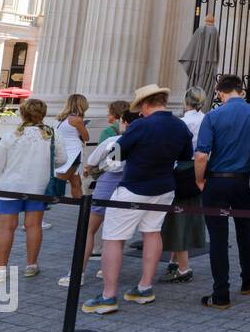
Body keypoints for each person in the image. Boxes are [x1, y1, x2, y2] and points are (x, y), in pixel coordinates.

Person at [83, 85, 193, 314]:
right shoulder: (179, 125)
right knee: (152, 232)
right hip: (165, 187)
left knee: (113, 238)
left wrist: (110, 164)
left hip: (134, 187)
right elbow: (184, 157)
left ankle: (109, 295)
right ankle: (144, 286)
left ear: (145, 104)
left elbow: (115, 157)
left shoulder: (141, 125)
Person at [194, 75, 250, 310]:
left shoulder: (213, 116)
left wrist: (199, 180)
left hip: (216, 180)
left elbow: (202, 154)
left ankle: (221, 293)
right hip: (244, 181)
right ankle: (248, 279)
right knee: (245, 230)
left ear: (220, 93)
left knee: (218, 238)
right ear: (241, 90)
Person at [0, 98, 65, 283]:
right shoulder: (52, 134)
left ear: (22, 113)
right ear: (43, 114)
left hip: (8, 187)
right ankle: (31, 265)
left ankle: (1, 270)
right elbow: (62, 159)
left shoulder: (12, 135)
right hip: (38, 186)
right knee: (33, 226)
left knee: (6, 229)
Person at [60, 101, 131, 288]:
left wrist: (89, 170)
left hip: (108, 183)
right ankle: (106, 269)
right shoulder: (143, 140)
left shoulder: (111, 139)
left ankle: (77, 273)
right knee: (115, 233)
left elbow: (100, 163)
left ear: (123, 121)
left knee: (88, 229)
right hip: (129, 185)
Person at [160, 86, 209, 284]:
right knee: (189, 216)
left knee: (177, 218)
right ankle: (174, 261)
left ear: (185, 101)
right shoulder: (207, 119)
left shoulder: (181, 123)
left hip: (181, 170)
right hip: (201, 170)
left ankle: (183, 267)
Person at [53, 94, 90, 199]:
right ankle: (51, 200)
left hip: (62, 152)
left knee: (76, 183)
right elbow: (86, 137)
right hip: (73, 153)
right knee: (60, 181)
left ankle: (82, 210)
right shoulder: (77, 120)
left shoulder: (59, 119)